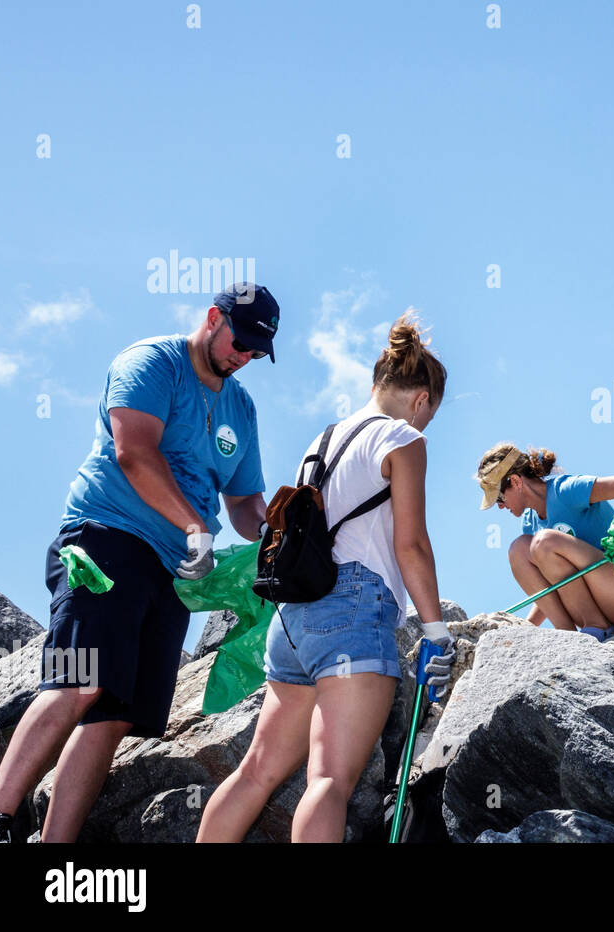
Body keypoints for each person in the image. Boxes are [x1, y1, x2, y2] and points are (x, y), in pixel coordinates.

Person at [0, 283, 279, 844]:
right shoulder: (151, 362)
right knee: (79, 681)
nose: (242, 357)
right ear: (213, 318)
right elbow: (134, 451)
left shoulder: (241, 409)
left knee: (115, 714)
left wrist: (276, 534)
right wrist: (195, 527)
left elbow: (244, 503)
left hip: (175, 572)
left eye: (254, 353)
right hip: (106, 541)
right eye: (240, 342)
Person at [197, 312, 453, 843]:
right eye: (430, 416)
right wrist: (437, 632)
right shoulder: (403, 438)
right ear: (422, 399)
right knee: (331, 780)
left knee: (255, 773)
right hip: (355, 609)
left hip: (292, 619)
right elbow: (411, 544)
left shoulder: (323, 439)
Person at [476, 444, 614, 641]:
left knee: (543, 542)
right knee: (519, 549)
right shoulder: (529, 523)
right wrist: (526, 630)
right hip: (601, 603)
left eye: (500, 498)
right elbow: (553, 584)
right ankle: (569, 637)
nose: (500, 507)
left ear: (516, 481)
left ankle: (595, 625)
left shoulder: (564, 490)